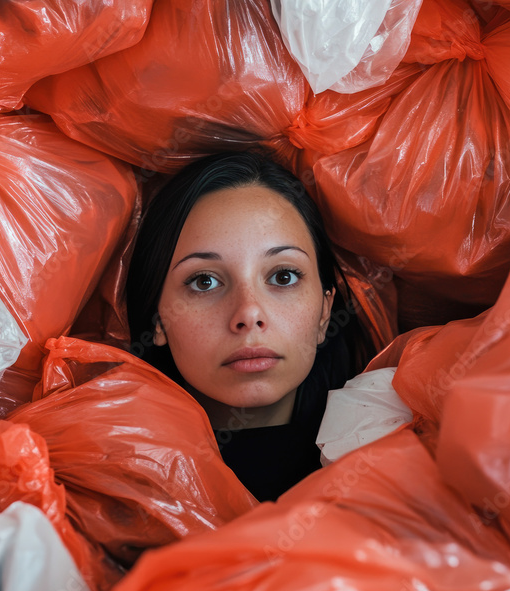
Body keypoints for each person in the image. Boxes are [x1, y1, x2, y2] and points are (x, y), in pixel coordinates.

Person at [125, 151, 371, 501]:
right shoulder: (109, 477)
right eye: (204, 282)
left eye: (283, 276)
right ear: (159, 320)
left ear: (324, 312)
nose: (249, 313)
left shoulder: (395, 453)